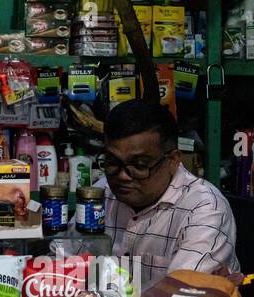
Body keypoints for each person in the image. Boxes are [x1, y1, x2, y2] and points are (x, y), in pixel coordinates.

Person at [97, 98, 239, 284]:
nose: (123, 176)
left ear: (172, 160)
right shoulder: (101, 192)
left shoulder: (205, 208)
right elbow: (63, 266)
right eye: (112, 162)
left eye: (139, 165)